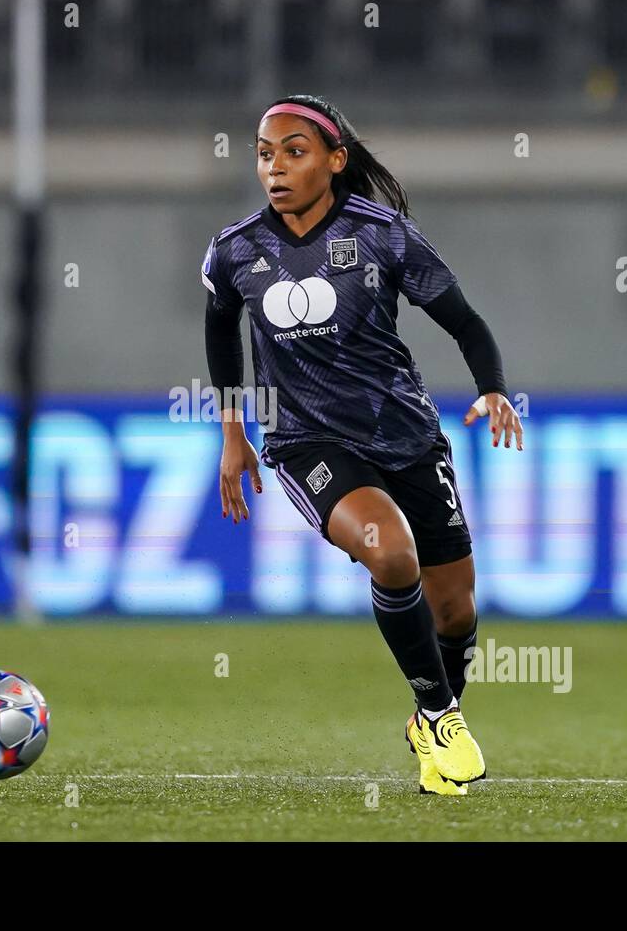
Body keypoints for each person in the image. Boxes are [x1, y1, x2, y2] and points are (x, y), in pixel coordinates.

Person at [202, 94, 524, 796]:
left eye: (294, 151)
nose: (276, 167)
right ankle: (440, 715)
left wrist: (492, 387)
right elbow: (220, 332)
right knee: (390, 549)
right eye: (265, 154)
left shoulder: (385, 235)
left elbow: (465, 322)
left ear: (335, 160)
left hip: (406, 436)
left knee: (456, 611)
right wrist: (234, 434)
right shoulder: (236, 251)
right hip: (307, 441)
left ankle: (430, 719)